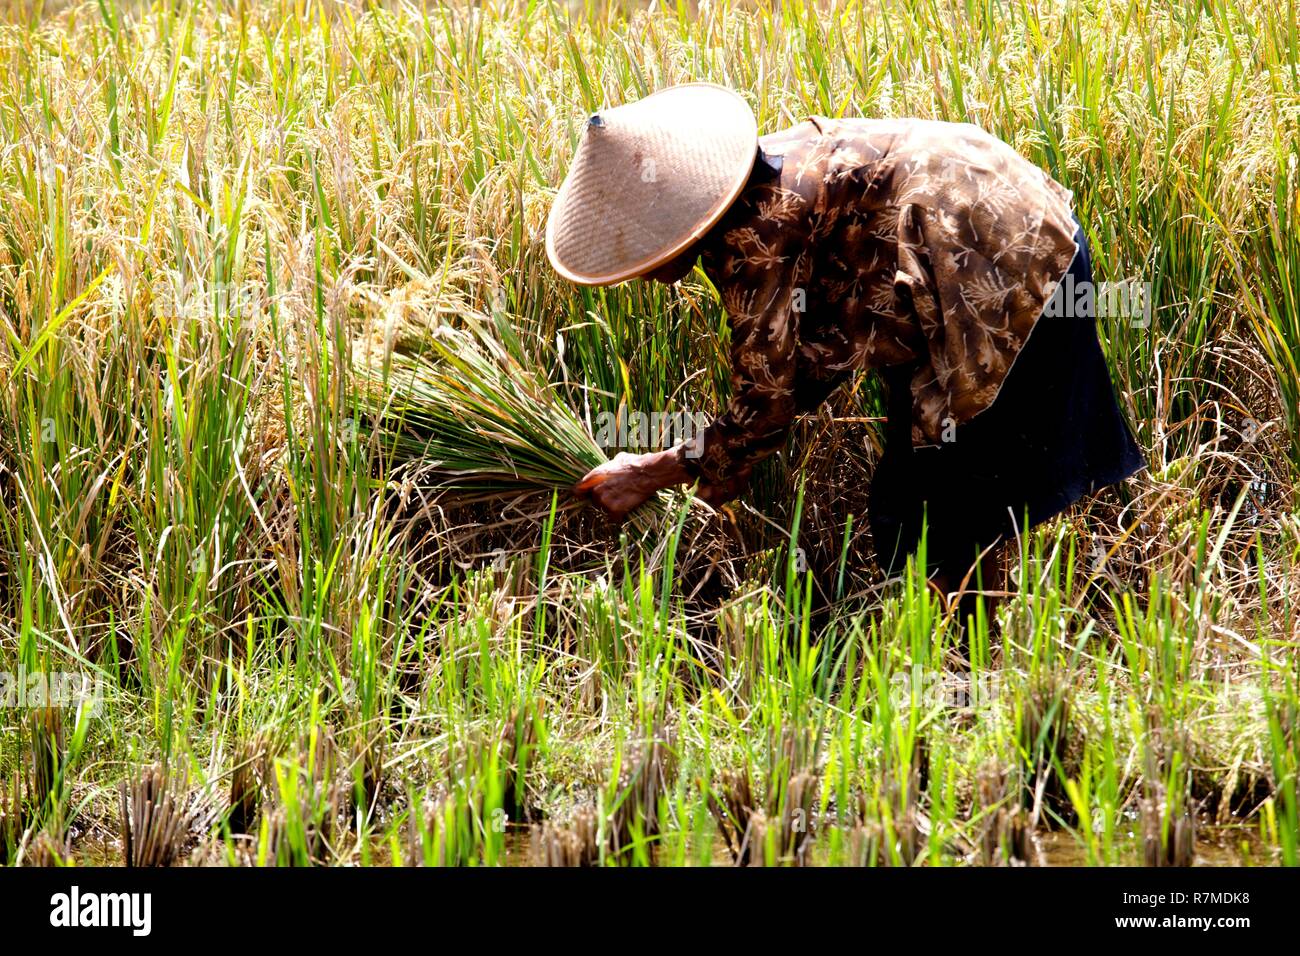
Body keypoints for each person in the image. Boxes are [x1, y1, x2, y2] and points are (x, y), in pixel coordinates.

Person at [548, 83, 1144, 610]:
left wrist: (654, 469)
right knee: (937, 497)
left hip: (1000, 275)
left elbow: (766, 404)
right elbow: (814, 347)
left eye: (643, 247)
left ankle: (970, 678)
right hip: (1022, 229)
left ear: (684, 216)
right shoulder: (767, 168)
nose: (640, 269)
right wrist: (720, 457)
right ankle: (974, 660)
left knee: (931, 513)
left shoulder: (755, 238)